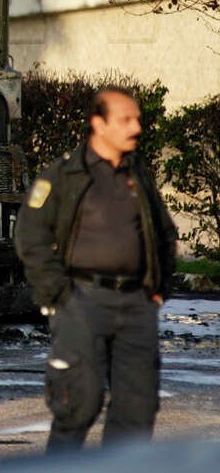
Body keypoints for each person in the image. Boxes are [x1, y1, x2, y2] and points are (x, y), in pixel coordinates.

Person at [15, 87, 176, 452]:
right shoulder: (65, 175)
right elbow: (30, 235)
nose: (136, 127)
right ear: (98, 124)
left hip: (136, 304)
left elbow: (164, 232)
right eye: (126, 120)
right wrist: (59, 294)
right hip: (81, 301)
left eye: (137, 119)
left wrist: (157, 289)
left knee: (138, 410)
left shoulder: (139, 175)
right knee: (78, 402)